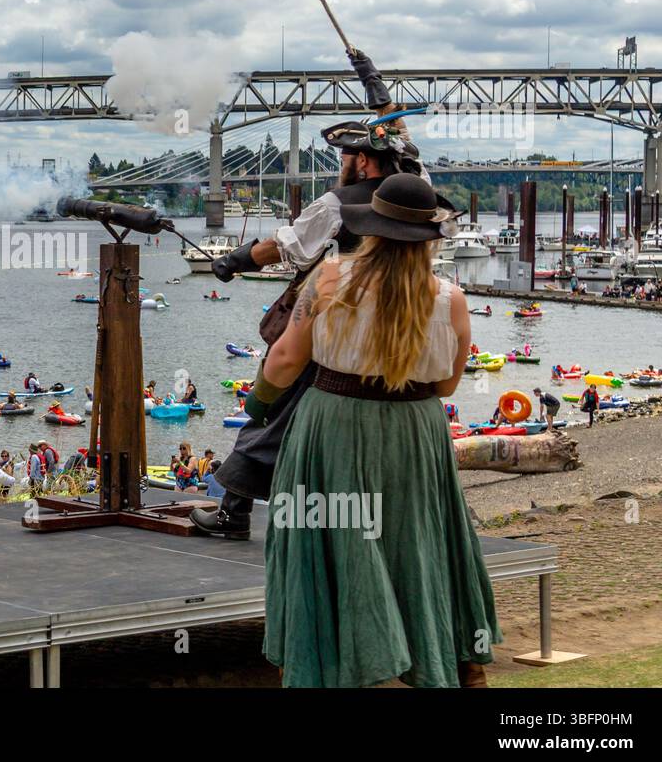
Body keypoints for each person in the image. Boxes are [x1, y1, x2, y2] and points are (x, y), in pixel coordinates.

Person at [225, 172, 498, 687]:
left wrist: (259, 406)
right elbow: (445, 386)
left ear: (369, 227)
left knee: (328, 540)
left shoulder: (328, 280)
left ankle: (337, 663)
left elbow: (283, 360)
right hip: (416, 436)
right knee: (417, 546)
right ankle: (446, 662)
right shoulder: (452, 300)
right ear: (430, 240)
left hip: (334, 427)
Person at [195, 88, 439, 538]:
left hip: (333, 327)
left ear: (363, 161)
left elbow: (283, 247)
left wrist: (235, 260)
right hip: (399, 328)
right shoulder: (417, 190)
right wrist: (379, 92)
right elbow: (402, 134)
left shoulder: (335, 205)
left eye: (347, 157)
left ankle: (234, 514)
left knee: (270, 417)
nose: (341, 165)